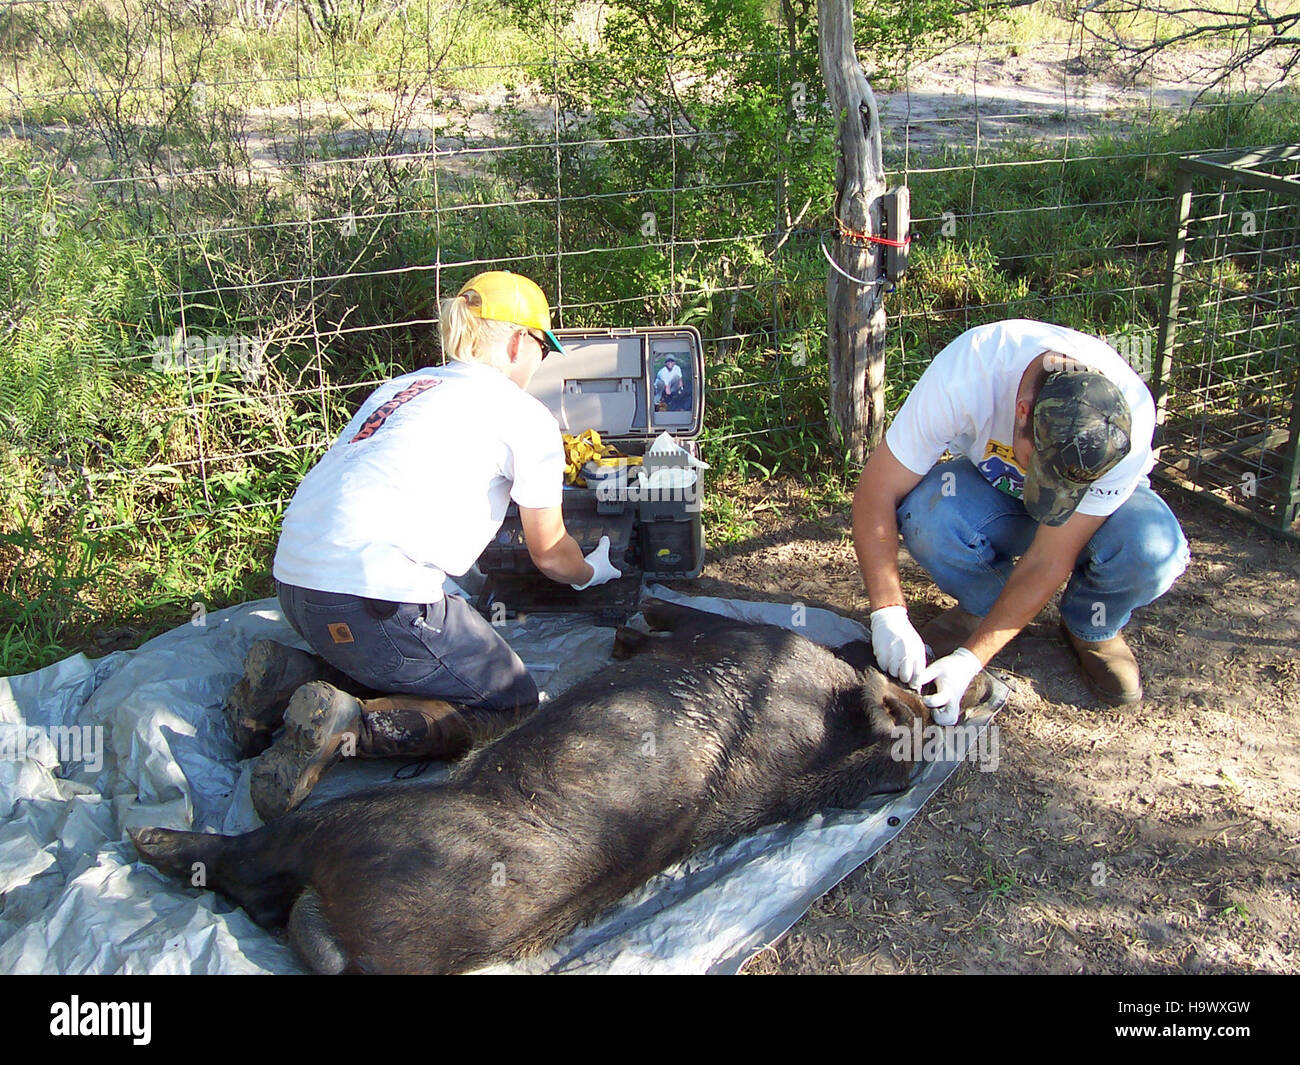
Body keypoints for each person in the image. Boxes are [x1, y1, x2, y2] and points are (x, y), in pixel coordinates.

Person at [230, 271, 621, 820]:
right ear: (517, 342)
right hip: (376, 605)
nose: (538, 365)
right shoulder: (523, 417)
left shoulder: (401, 389)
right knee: (508, 702)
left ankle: (288, 683)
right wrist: (591, 572)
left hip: (297, 591)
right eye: (541, 349)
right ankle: (352, 731)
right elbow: (550, 552)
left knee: (410, 658)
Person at [851, 319, 1190, 723]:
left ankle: (1090, 625)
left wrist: (968, 661)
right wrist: (888, 611)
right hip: (993, 491)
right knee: (932, 514)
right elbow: (877, 491)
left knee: (1152, 551)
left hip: (1088, 515)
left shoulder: (1126, 419)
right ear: (1022, 411)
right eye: (1038, 468)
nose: (1043, 485)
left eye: (1064, 481)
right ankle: (984, 607)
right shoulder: (967, 373)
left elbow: (1049, 558)